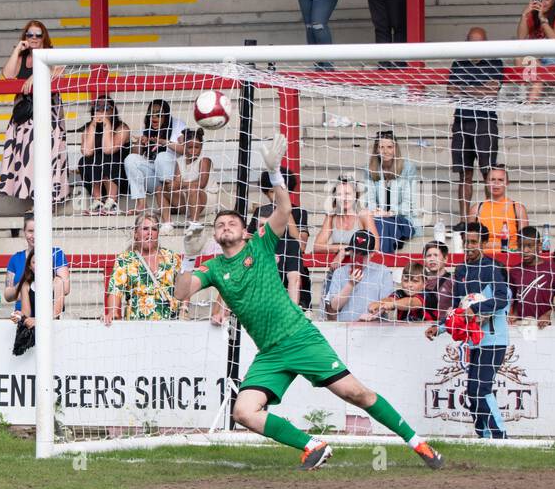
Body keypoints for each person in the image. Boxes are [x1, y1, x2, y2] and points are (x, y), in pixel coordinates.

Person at [175, 134, 443, 470]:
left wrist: (274, 174)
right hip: (270, 352)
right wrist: (188, 257)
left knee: (356, 394)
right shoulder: (213, 267)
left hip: (299, 337)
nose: (225, 226)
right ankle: (313, 446)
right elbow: (182, 293)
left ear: (245, 232)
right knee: (243, 412)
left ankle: (418, 444)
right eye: (219, 225)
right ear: (214, 236)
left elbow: (285, 209)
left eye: (232, 222)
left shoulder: (260, 245)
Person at [425, 223, 511, 438]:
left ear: (483, 243)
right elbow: (457, 310)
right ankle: (484, 437)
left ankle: (500, 437)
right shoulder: (461, 271)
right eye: (466, 242)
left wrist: (477, 308)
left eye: (473, 242)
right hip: (473, 342)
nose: (469, 246)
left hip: (494, 340)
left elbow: (503, 299)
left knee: (480, 390)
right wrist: (441, 327)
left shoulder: (493, 268)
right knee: (473, 392)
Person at [0, 20, 69, 204]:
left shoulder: (52, 55)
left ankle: (47, 201)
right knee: (25, 157)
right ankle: (31, 200)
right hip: (24, 114)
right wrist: (17, 50)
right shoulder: (22, 57)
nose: (34, 38)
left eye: (38, 35)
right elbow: (7, 75)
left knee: (46, 155)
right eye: (30, 35)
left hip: (47, 115)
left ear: (44, 37)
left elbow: (59, 71)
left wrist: (36, 75)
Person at [448, 29, 503, 219]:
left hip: (485, 121)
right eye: (472, 42)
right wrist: (477, 89)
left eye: (479, 42)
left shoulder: (494, 62)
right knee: (464, 175)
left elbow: (491, 90)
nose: (475, 46)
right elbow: (450, 91)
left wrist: (465, 89)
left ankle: (490, 217)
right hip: (462, 121)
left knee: (488, 174)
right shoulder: (459, 63)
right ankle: (464, 220)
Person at [103, 213, 183, 323]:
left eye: (154, 229)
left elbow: (185, 288)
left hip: (169, 325)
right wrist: (113, 311)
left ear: (158, 234)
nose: (150, 233)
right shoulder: (125, 259)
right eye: (145, 229)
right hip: (136, 325)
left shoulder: (172, 258)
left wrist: (185, 310)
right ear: (136, 233)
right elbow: (115, 290)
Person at [124, 99, 188, 216]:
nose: (154, 117)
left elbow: (185, 149)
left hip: (173, 178)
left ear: (166, 115)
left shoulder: (178, 125)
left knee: (162, 156)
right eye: (151, 114)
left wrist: (164, 142)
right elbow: (135, 156)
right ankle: (141, 204)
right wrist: (140, 142)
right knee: (130, 159)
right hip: (155, 179)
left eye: (158, 114)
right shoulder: (146, 129)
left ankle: (169, 201)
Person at [361, 130, 416, 253]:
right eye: (381, 147)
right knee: (381, 223)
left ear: (395, 149)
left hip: (402, 219)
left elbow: (408, 204)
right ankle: (384, 259)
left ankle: (381, 261)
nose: (385, 151)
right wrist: (377, 212)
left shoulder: (408, 168)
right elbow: (369, 200)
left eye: (390, 147)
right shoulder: (369, 169)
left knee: (382, 223)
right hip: (378, 218)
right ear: (376, 149)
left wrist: (390, 213)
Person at [248, 202, 308, 310]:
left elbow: (294, 280)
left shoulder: (291, 244)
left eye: (269, 226)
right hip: (253, 301)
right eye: (261, 225)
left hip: (281, 301)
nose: (264, 230)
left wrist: (292, 311)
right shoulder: (249, 246)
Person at [323, 229, 392, 321]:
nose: (358, 257)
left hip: (375, 328)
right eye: (355, 252)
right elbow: (335, 306)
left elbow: (386, 303)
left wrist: (372, 316)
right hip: (346, 327)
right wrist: (350, 284)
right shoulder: (339, 272)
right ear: (350, 251)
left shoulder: (383, 271)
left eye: (363, 254)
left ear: (372, 254)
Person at [78, 97, 131, 215]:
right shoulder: (88, 128)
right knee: (84, 160)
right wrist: (92, 126)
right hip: (97, 179)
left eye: (106, 108)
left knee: (107, 157)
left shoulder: (122, 127)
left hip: (120, 179)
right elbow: (86, 151)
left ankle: (112, 201)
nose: (101, 111)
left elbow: (108, 149)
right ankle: (98, 201)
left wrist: (107, 125)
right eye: (98, 108)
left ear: (113, 111)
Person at [5, 214, 69, 310]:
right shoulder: (15, 258)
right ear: (24, 232)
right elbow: (7, 295)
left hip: (49, 315)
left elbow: (66, 288)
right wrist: (22, 286)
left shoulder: (56, 254)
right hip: (22, 315)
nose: (34, 236)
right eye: (30, 231)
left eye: (39, 231)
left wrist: (28, 291)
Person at [516, 0, 555, 104]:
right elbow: (521, 38)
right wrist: (524, 15)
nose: (543, 3)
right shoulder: (530, 16)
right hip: (537, 60)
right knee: (519, 56)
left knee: (537, 73)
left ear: (553, 2)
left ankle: (526, 102)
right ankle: (525, 96)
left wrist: (542, 20)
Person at [311, 176, 380, 267]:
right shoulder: (331, 216)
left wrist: (346, 250)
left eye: (347, 194)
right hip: (337, 269)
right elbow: (317, 247)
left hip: (361, 268)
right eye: (340, 194)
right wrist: (343, 248)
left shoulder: (364, 215)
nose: (344, 198)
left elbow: (375, 248)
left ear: (355, 195)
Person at [507, 226, 555, 326]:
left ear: (539, 245)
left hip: (546, 326)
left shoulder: (554, 269)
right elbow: (516, 299)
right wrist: (514, 314)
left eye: (530, 246)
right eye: (521, 246)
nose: (525, 250)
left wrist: (549, 314)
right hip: (522, 326)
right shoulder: (514, 271)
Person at [161, 128, 212, 231]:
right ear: (184, 146)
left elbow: (202, 184)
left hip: (206, 200)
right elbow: (177, 183)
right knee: (159, 189)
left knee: (192, 187)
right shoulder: (180, 161)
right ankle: (167, 223)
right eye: (190, 147)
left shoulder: (204, 160)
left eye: (196, 147)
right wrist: (170, 184)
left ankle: (194, 224)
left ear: (201, 147)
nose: (193, 150)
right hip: (188, 200)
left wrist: (178, 185)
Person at [475, 166, 528, 258]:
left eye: (500, 180)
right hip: (482, 260)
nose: (496, 183)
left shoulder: (518, 208)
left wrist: (491, 244)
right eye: (492, 179)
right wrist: (500, 244)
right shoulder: (476, 209)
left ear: (507, 183)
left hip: (510, 258)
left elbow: (524, 242)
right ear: (486, 182)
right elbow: (471, 242)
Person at [360, 261, 427, 322]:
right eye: (406, 281)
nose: (409, 285)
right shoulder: (400, 293)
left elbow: (411, 303)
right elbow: (389, 299)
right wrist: (378, 305)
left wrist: (393, 304)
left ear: (424, 284)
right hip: (404, 332)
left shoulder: (428, 295)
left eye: (415, 281)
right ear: (401, 280)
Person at [420, 241, 455, 317]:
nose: (432, 259)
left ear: (445, 259)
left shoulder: (452, 281)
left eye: (436, 255)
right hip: (420, 325)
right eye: (429, 256)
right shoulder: (419, 280)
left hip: (443, 326)